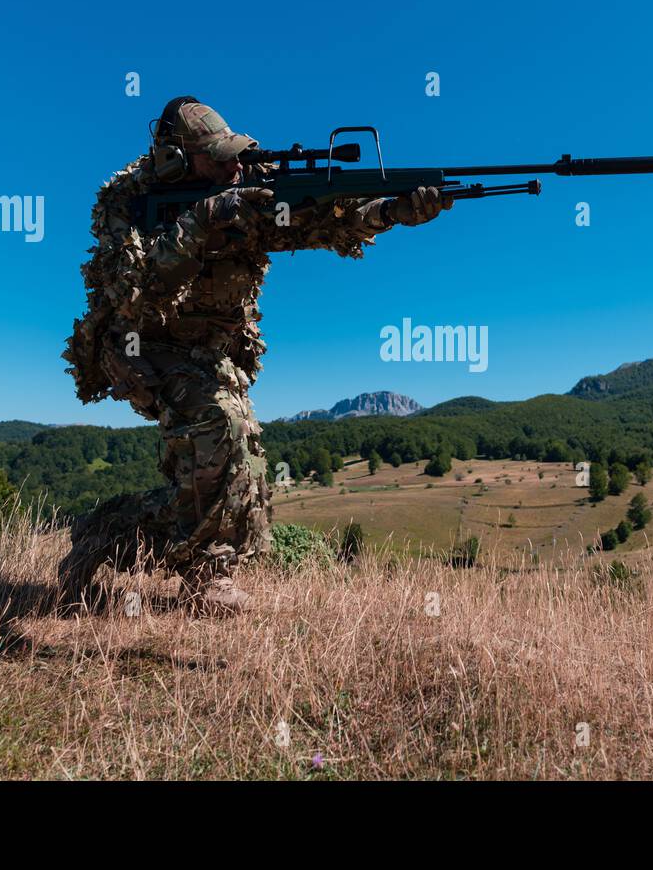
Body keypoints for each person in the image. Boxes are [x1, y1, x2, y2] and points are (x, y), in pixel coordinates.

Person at [59, 97, 450, 612]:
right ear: (177, 158)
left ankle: (121, 538)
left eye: (235, 156)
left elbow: (322, 222)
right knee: (218, 428)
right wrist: (200, 223)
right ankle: (196, 576)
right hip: (141, 347)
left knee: (243, 464)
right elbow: (135, 293)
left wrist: (393, 211)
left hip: (211, 350)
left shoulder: (246, 186)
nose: (234, 166)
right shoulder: (128, 201)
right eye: (218, 158)